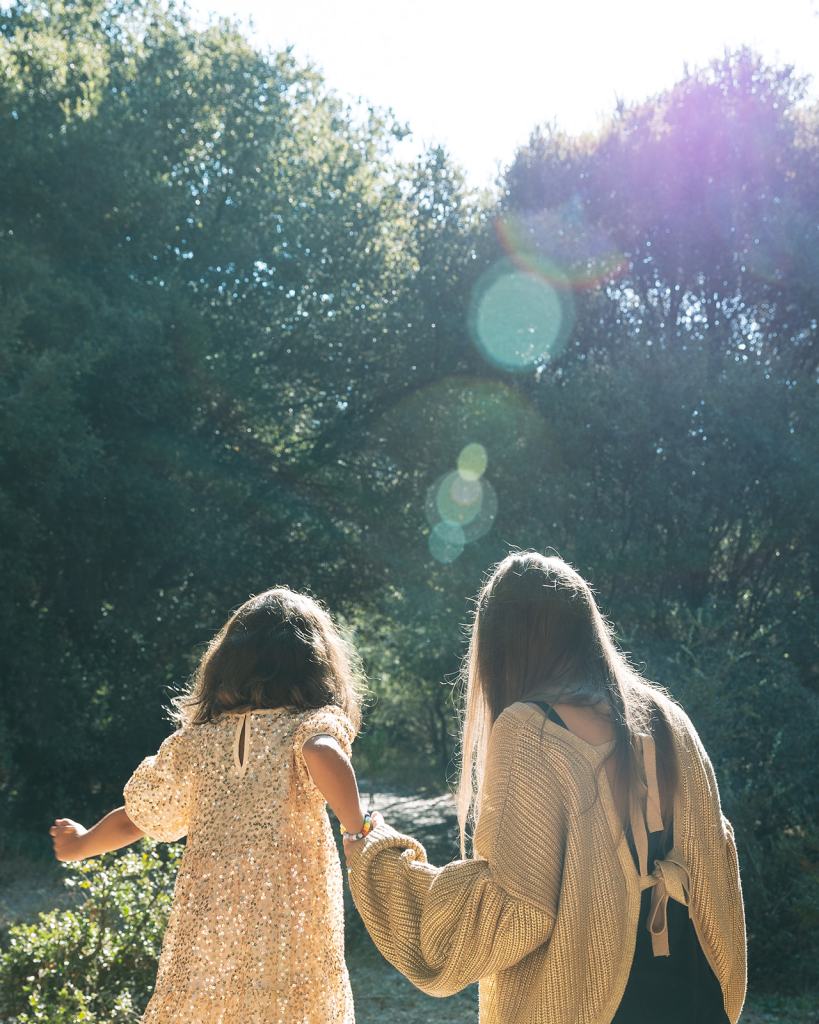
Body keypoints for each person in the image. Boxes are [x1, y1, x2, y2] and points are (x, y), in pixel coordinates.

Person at [344, 551, 747, 1024]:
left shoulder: (529, 729)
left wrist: (381, 861)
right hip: (698, 999)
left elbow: (512, 909)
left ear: (503, 644)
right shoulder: (670, 719)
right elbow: (716, 878)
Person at [50, 587, 373, 1024]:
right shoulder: (308, 726)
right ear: (315, 668)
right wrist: (355, 830)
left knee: (207, 1006)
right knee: (293, 1005)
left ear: (225, 666)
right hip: (291, 915)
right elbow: (322, 752)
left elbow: (138, 817)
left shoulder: (196, 743)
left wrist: (83, 843)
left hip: (208, 921)